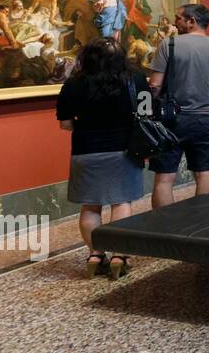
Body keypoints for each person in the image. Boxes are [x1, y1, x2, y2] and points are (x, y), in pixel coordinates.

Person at [56, 39, 148, 279]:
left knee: (90, 206)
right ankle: (120, 255)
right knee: (121, 202)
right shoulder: (135, 80)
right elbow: (147, 112)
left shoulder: (73, 84)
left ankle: (96, 255)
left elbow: (66, 124)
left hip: (85, 151)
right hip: (124, 150)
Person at [148, 3, 209, 207]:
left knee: (164, 179)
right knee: (205, 174)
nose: (174, 22)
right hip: (207, 119)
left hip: (171, 120)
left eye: (178, 18)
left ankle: (165, 233)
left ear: (192, 21)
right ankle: (201, 227)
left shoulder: (168, 45)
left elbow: (154, 84)